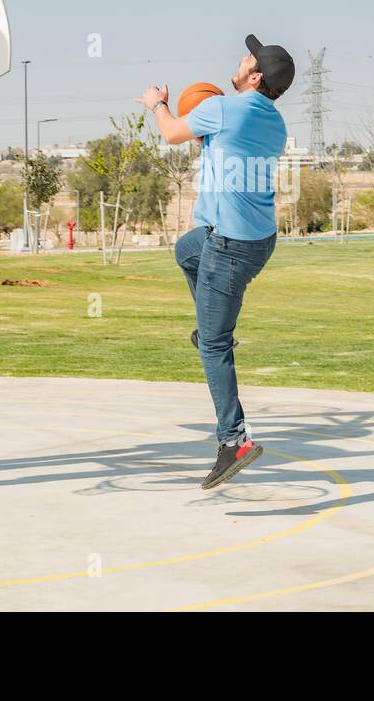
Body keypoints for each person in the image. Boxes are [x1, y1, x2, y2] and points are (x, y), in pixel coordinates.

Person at [136, 34, 294, 488]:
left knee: (215, 347)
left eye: (249, 58)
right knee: (185, 250)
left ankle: (233, 440)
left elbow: (170, 133)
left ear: (255, 75)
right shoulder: (275, 122)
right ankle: (209, 330)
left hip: (229, 247)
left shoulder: (225, 109)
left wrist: (157, 103)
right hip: (258, 241)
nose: (242, 58)